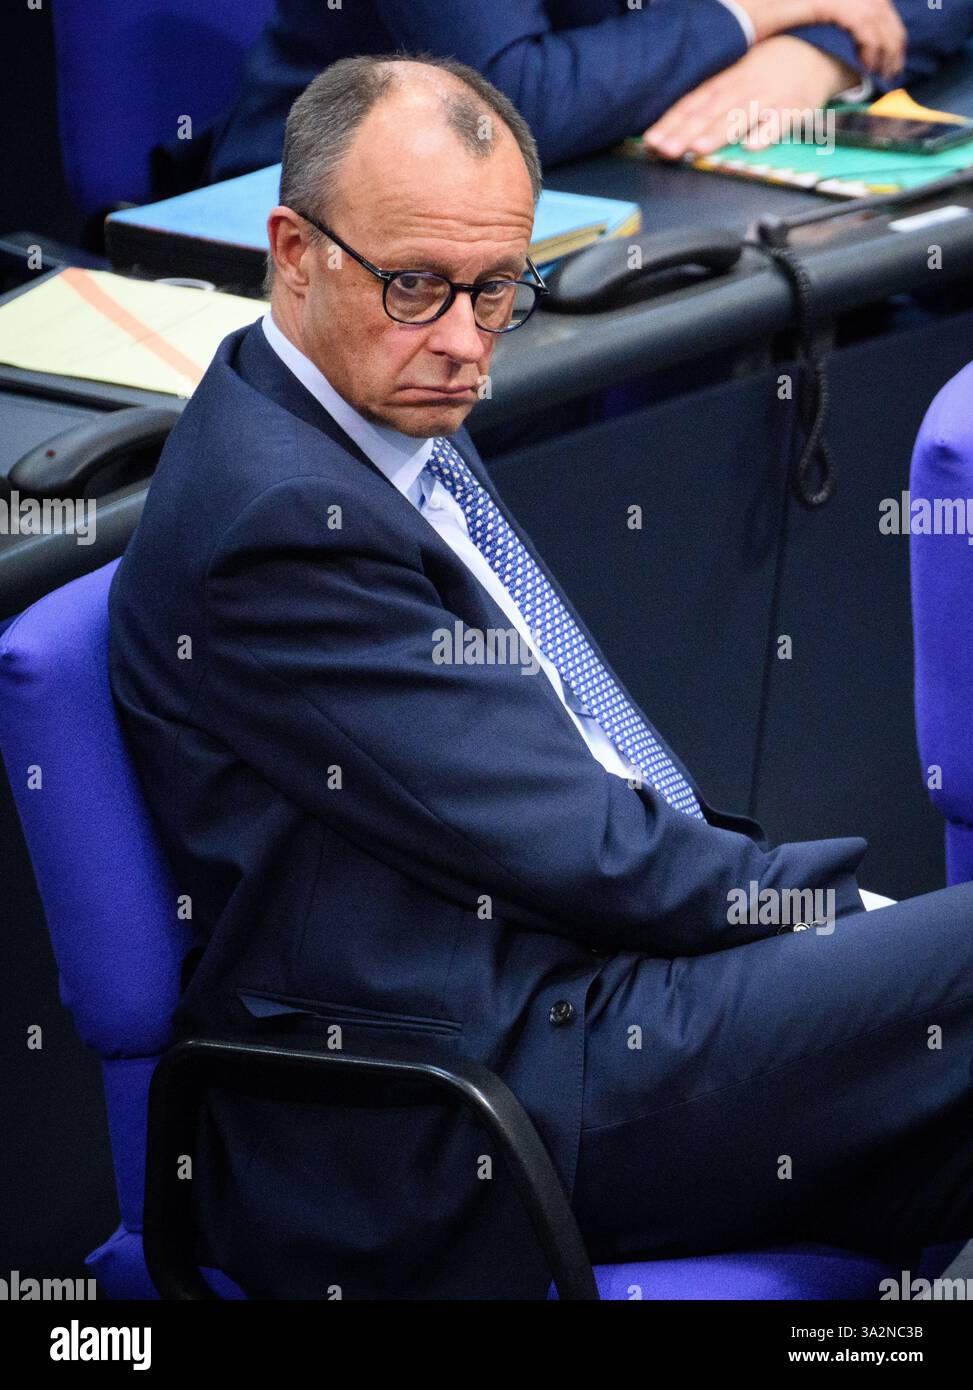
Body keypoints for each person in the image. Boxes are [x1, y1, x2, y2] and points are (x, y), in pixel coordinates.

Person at [111, 55, 973, 1299]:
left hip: (583, 989)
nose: (466, 343)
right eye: (416, 287)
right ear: (292, 250)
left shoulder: (367, 410)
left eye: (498, 287)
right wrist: (843, 917)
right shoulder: (282, 525)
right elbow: (594, 852)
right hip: (478, 1102)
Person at [205, 0, 973, 183]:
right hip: (330, 210)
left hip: (617, 179)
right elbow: (504, 99)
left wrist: (813, 55)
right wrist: (754, 14)